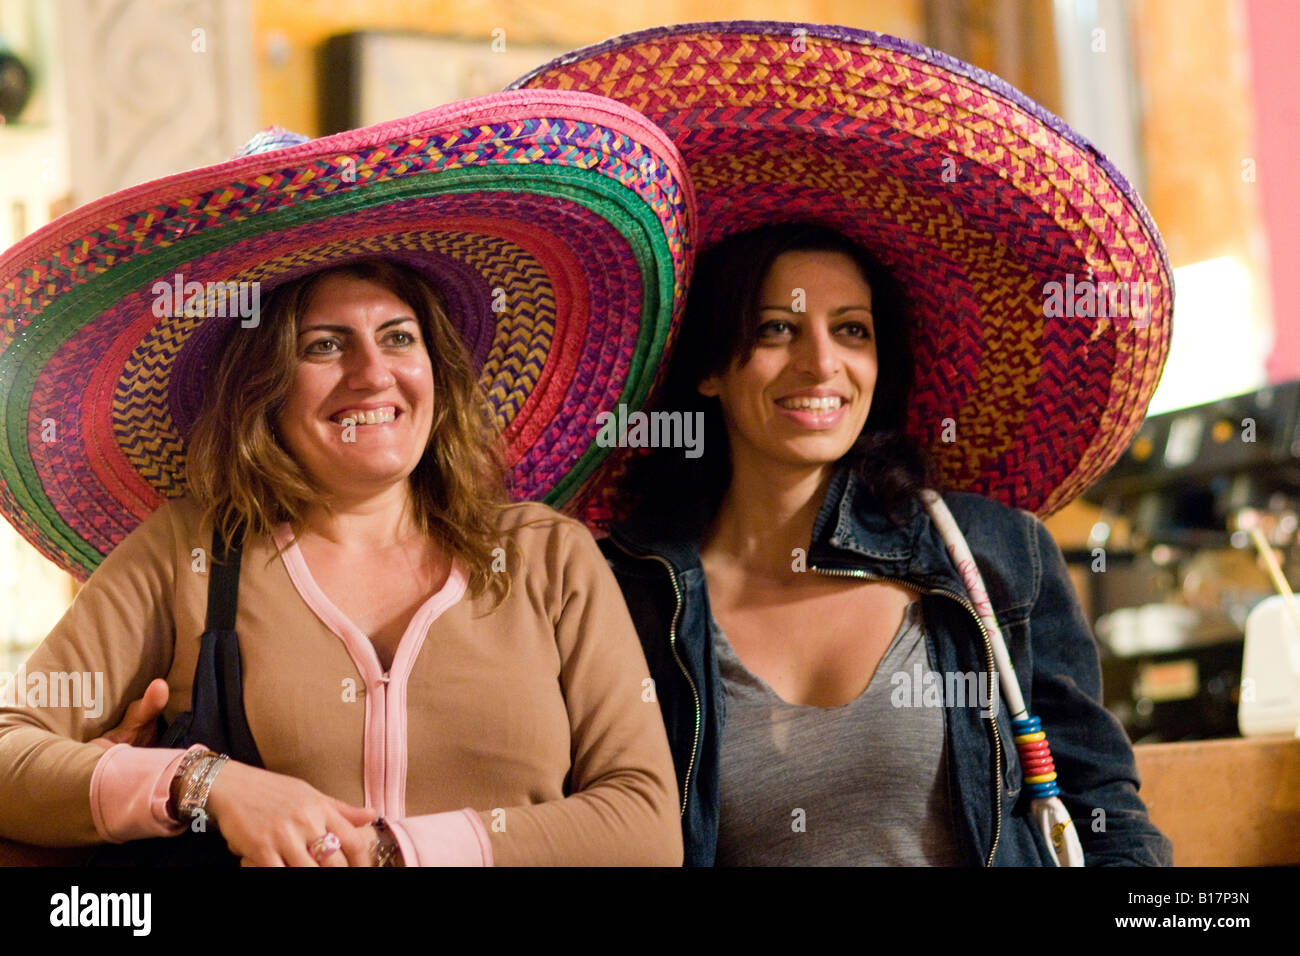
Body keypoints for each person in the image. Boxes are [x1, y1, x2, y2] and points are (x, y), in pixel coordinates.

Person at [514, 22, 1176, 865]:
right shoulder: (629, 592)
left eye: (852, 330)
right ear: (710, 366)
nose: (821, 363)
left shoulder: (990, 555)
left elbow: (1104, 809)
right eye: (778, 328)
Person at [0, 90, 693, 866]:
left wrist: (396, 851)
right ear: (259, 387)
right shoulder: (191, 551)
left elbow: (643, 826)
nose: (374, 375)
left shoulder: (548, 557)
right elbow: (8, 749)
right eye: (324, 346)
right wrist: (206, 783)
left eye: (399, 337)